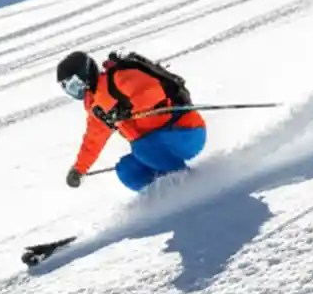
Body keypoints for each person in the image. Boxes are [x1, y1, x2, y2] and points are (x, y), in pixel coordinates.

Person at [56, 50, 206, 192]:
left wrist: (127, 111)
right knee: (127, 170)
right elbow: (93, 140)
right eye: (69, 89)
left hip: (184, 130)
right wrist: (79, 169)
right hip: (156, 147)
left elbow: (152, 92)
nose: (75, 92)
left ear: (85, 75)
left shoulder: (119, 77)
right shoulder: (96, 105)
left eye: (74, 85)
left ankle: (190, 185)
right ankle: (164, 197)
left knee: (141, 147)